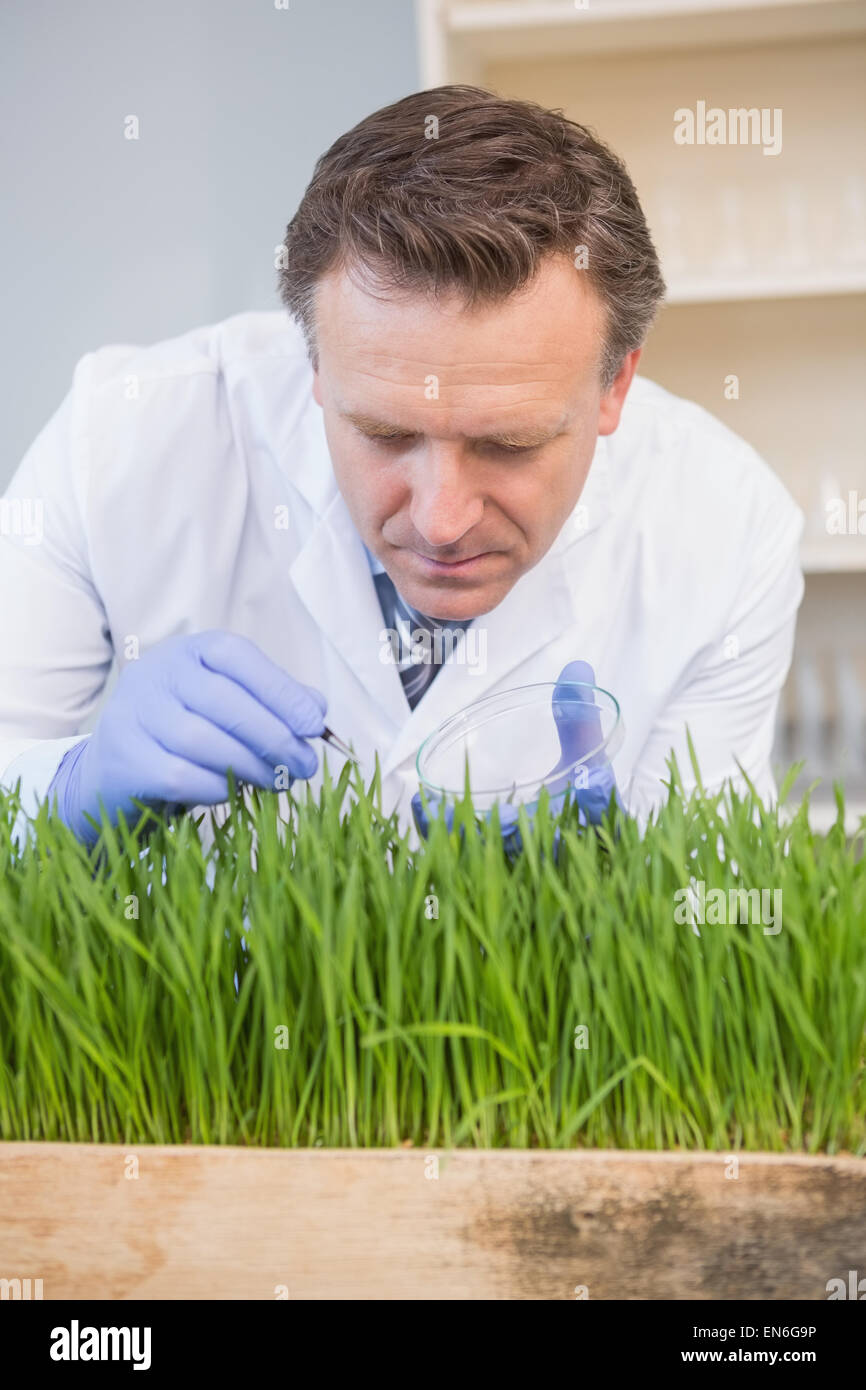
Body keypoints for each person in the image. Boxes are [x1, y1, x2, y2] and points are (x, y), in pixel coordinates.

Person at [0, 86, 804, 846]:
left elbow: (714, 901)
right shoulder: (118, 437)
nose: (440, 520)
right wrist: (68, 788)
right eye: (384, 433)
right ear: (314, 364)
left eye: (510, 444)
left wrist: (617, 899)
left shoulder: (728, 524)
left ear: (615, 383)